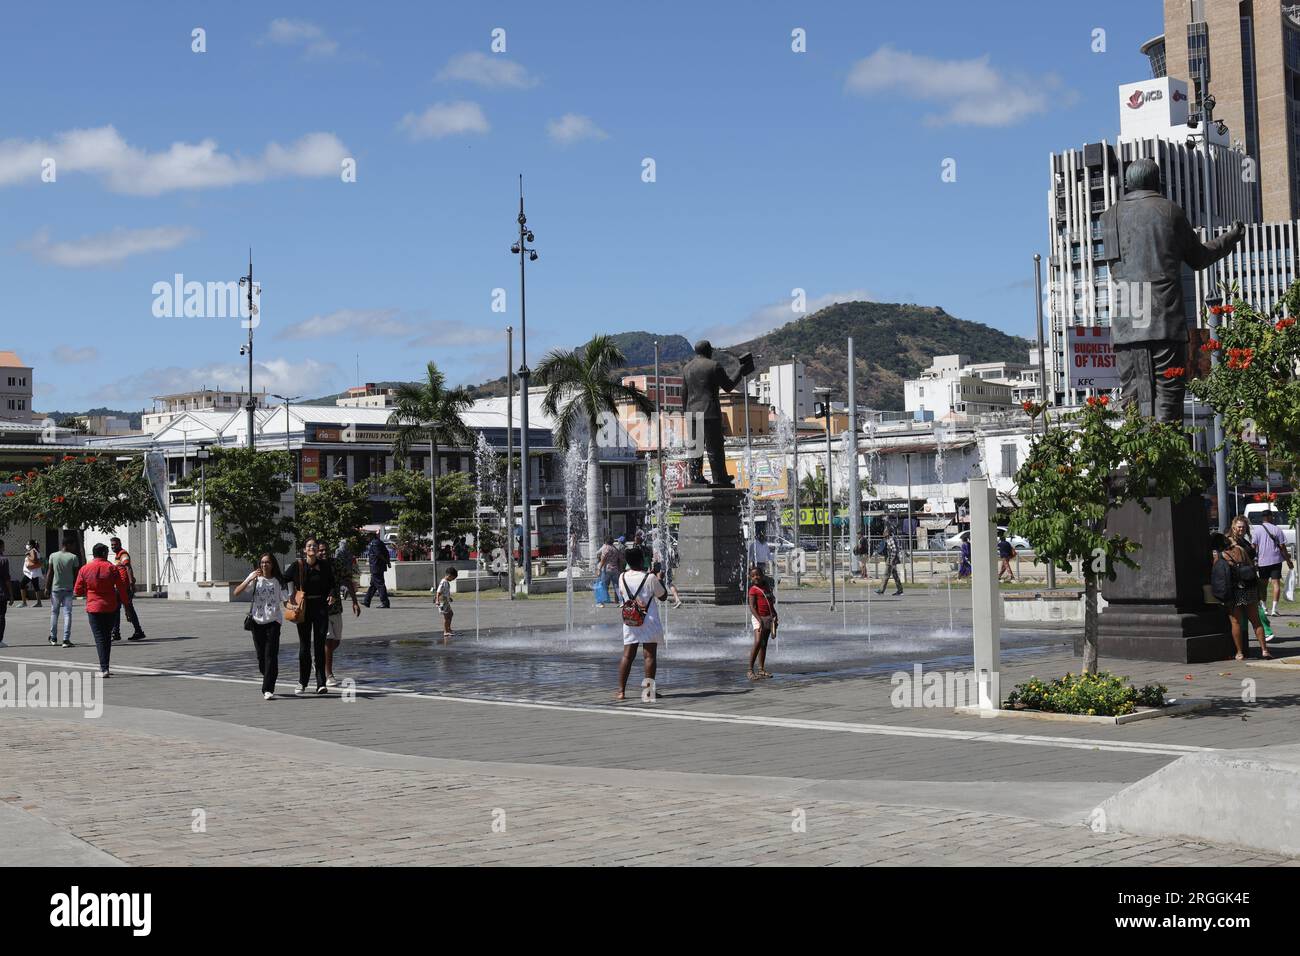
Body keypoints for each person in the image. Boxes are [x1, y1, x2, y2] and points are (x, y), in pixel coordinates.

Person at [285, 538, 337, 695]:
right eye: (309, 546)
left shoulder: (325, 566)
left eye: (314, 546)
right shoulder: (298, 566)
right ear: (304, 549)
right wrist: (284, 597)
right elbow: (282, 579)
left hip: (321, 608)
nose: (312, 548)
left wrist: (332, 594)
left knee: (320, 645)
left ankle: (321, 683)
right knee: (304, 646)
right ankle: (302, 681)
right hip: (303, 608)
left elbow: (333, 584)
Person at [615, 547, 667, 701]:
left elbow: (623, 596)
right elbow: (663, 596)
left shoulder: (622, 576)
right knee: (649, 656)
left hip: (631, 620)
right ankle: (649, 692)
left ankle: (621, 691)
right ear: (641, 560)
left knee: (627, 655)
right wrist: (660, 579)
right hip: (648, 620)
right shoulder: (650, 578)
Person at [1215, 517, 1271, 660]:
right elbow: (1250, 564)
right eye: (1239, 527)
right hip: (1245, 586)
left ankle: (1240, 652)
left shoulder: (1230, 547)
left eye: (1243, 527)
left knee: (1238, 621)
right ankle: (1262, 650)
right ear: (1233, 527)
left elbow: (1219, 566)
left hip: (1236, 588)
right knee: (1254, 620)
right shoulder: (1241, 546)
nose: (1241, 529)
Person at [234, 553, 287, 700]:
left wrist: (294, 608)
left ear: (273, 564)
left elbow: (285, 600)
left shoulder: (278, 580)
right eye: (262, 562)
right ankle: (270, 674)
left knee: (271, 655)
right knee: (261, 657)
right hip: (257, 622)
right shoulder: (255, 577)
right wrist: (250, 579)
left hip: (274, 622)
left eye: (268, 562)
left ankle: (267, 689)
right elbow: (236, 592)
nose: (264, 565)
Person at [73, 543, 129, 678]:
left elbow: (77, 591)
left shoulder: (85, 569)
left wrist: (89, 591)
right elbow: (121, 588)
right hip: (110, 607)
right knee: (107, 637)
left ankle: (104, 668)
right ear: (104, 553)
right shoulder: (111, 568)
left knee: (99, 638)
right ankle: (106, 667)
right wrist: (127, 605)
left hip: (93, 608)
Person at [325, 539, 361, 686]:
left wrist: (354, 601)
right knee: (328, 640)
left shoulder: (335, 564)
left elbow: (347, 580)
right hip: (321, 611)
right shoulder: (313, 566)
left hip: (336, 608)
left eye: (325, 550)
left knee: (336, 641)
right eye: (319, 550)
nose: (322, 552)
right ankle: (329, 674)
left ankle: (321, 660)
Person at [1251, 508, 1293, 618]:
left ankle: (1264, 608)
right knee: (1276, 584)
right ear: (1270, 517)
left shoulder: (1257, 530)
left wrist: (1253, 560)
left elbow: (1254, 546)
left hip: (1262, 561)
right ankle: (1274, 609)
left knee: (1263, 585)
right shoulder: (1277, 529)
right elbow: (1283, 547)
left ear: (1262, 518)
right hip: (1276, 561)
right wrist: (1288, 561)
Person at [44, 534, 80, 648]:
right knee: (67, 614)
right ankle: (66, 639)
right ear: (68, 545)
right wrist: (77, 588)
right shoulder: (73, 557)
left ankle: (53, 638)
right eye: (73, 545)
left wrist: (46, 587)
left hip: (55, 589)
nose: (74, 547)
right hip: (68, 590)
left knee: (54, 613)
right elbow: (76, 575)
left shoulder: (53, 556)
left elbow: (50, 573)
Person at [108, 536, 146, 641]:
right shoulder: (117, 556)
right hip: (119, 587)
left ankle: (137, 631)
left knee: (128, 609)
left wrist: (131, 584)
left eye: (115, 545)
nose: (113, 547)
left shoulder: (123, 554)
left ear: (120, 544)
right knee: (117, 610)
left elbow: (128, 567)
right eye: (112, 545)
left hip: (124, 587)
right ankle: (116, 633)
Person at [747, 565, 778, 681]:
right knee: (758, 641)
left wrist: (775, 615)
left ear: (763, 575)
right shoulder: (753, 590)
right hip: (757, 618)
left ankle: (761, 669)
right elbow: (752, 606)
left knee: (764, 644)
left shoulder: (766, 587)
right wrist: (759, 619)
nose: (756, 577)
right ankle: (750, 670)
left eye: (758, 575)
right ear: (750, 577)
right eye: (753, 575)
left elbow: (770, 604)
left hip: (768, 617)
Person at [361, 533, 391, 608]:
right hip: (377, 566)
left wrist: (387, 562)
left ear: (371, 536)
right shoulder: (379, 542)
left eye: (367, 537)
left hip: (376, 566)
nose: (366, 539)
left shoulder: (375, 543)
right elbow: (385, 553)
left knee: (380, 584)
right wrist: (387, 561)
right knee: (373, 585)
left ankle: (385, 602)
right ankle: (366, 601)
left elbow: (379, 554)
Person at [595, 536, 623, 608]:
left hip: (606, 569)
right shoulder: (615, 549)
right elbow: (620, 559)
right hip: (615, 569)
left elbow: (603, 559)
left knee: (603, 586)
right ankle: (622, 601)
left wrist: (599, 568)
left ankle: (600, 602)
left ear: (605, 541)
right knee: (617, 586)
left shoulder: (606, 548)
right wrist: (620, 569)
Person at [875, 528, 903, 596]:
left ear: (888, 533)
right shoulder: (887, 539)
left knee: (886, 574)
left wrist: (892, 559)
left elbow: (894, 550)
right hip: (889, 558)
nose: (883, 533)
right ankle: (900, 590)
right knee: (895, 575)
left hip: (890, 559)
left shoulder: (891, 539)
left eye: (885, 532)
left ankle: (881, 590)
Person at [434, 566, 457, 639]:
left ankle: (448, 628)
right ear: (449, 575)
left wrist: (449, 598)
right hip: (442, 602)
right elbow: (438, 592)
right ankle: (445, 631)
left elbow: (445, 592)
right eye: (453, 578)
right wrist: (437, 600)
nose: (452, 580)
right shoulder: (443, 582)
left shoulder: (446, 582)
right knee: (446, 617)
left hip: (446, 601)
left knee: (451, 614)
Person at [21, 539, 43, 607]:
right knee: (36, 587)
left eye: (28, 544)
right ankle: (39, 602)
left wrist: (28, 555)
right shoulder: (36, 550)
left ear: (32, 545)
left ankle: (24, 602)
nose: (27, 545)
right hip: (34, 572)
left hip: (31, 573)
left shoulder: (32, 550)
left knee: (22, 585)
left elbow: (34, 559)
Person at [0, 540, 10, 647]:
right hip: (1, 593)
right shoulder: (4, 560)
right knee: (1, 616)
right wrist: (11, 595)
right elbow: (7, 578)